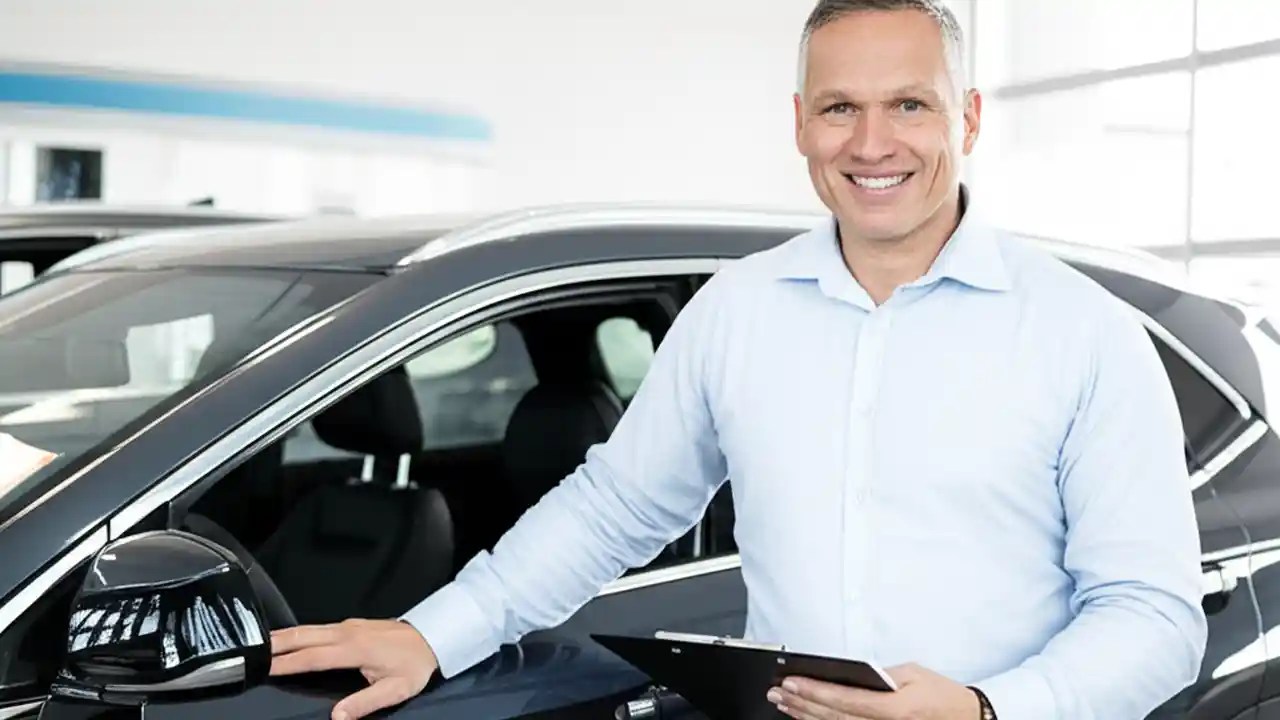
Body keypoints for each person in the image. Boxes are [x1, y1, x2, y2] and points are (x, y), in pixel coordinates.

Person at [268, 1, 1209, 718]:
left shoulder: (1085, 335)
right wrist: (434, 634)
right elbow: (617, 508)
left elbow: (1156, 617)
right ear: (801, 122)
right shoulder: (738, 312)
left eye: (908, 106)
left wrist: (983, 709)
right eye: (841, 107)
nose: (872, 143)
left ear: (965, 118)